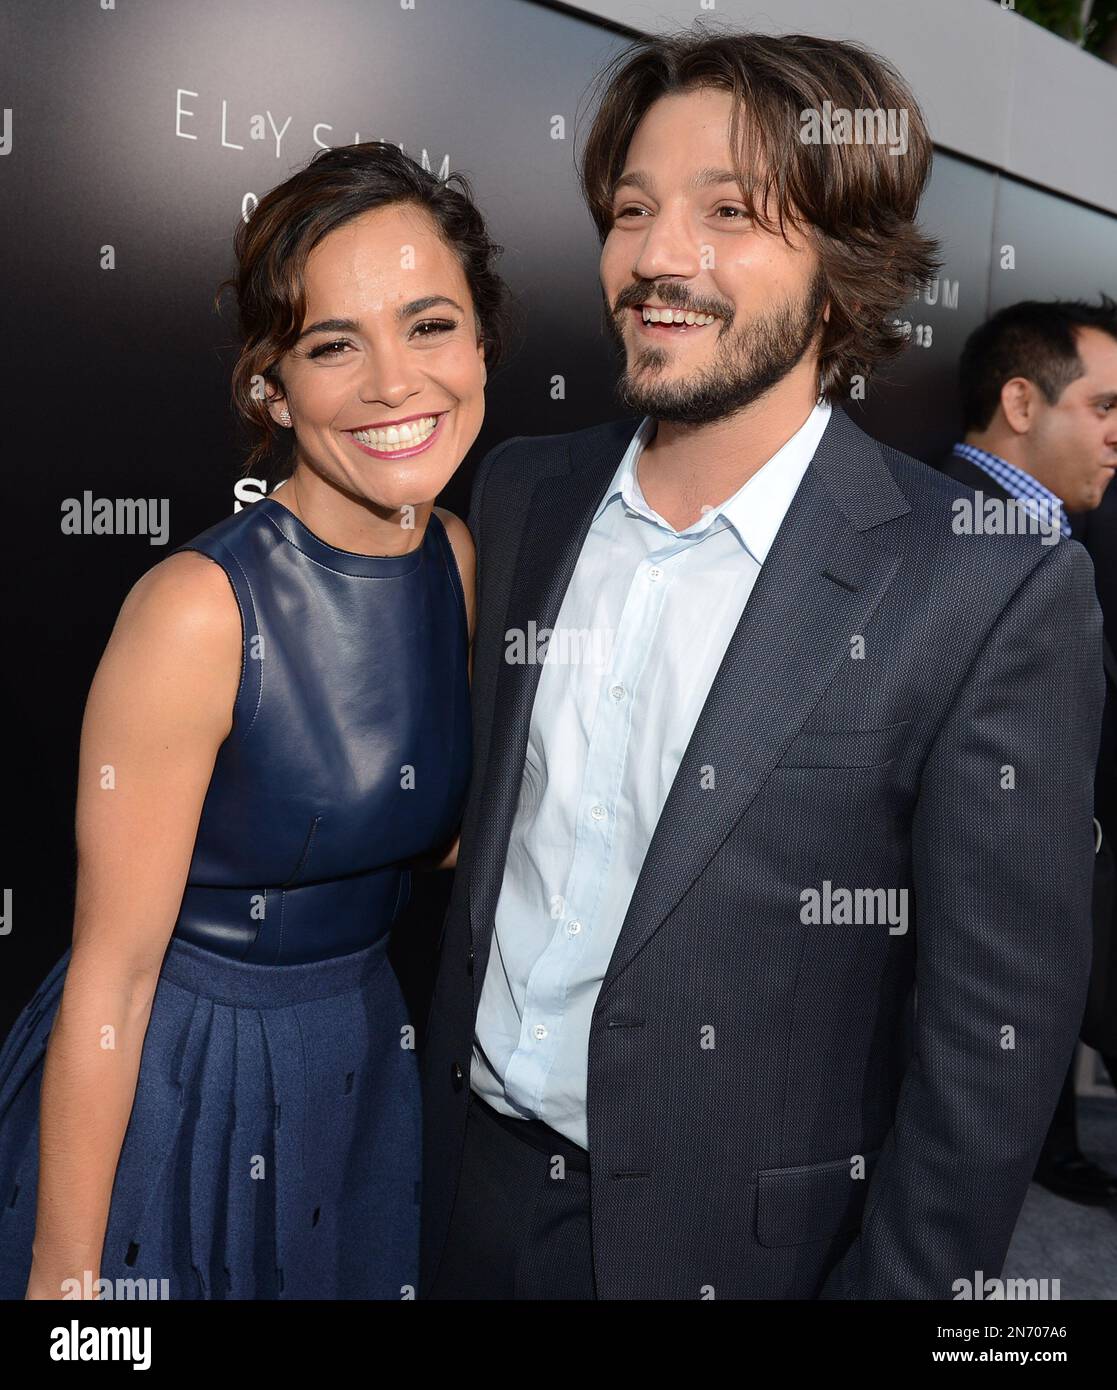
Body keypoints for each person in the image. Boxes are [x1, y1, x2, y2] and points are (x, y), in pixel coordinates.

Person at [419, 27, 1106, 1300]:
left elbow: (988, 1049)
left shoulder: (985, 583)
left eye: (729, 211)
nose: (659, 256)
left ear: (844, 269)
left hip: (736, 1254)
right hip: (451, 1191)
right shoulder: (521, 491)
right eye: (633, 208)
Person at [0, 140, 504, 1299]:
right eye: (335, 344)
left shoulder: (456, 561)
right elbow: (111, 981)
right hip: (181, 1067)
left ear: (481, 343)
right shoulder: (197, 611)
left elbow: (428, 826)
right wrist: (65, 1292)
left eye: (429, 325)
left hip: (365, 1053)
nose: (394, 382)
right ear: (272, 387)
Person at [941, 296, 1117, 1206]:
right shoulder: (947, 537)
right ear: (1020, 403)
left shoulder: (1052, 542)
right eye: (1103, 407)